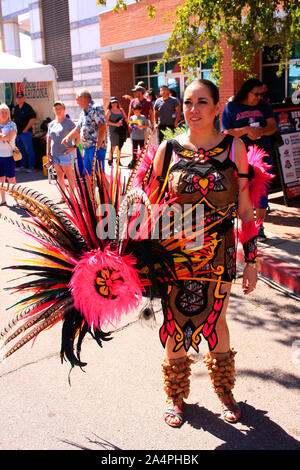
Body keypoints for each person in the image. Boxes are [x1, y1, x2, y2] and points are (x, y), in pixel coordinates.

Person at [152, 78, 258, 428]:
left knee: (217, 320)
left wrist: (252, 260)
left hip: (219, 253)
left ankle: (224, 389)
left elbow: (244, 209)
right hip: (174, 254)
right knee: (175, 321)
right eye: (187, 102)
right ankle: (175, 393)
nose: (192, 109)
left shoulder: (234, 149)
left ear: (217, 107)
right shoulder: (167, 150)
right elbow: (150, 206)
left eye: (201, 102)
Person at [221, 78, 277, 239]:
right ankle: (245, 226)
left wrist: (261, 131)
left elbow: (272, 127)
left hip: (262, 155)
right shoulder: (232, 106)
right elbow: (226, 132)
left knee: (261, 191)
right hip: (239, 155)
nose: (259, 97)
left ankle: (259, 227)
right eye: (256, 94)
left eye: (262, 94)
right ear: (247, 92)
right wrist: (245, 130)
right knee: (240, 191)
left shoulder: (263, 105)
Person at [62, 89, 106, 175]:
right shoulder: (83, 112)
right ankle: (89, 189)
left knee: (100, 175)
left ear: (83, 98)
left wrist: (99, 145)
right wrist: (67, 137)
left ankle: (106, 189)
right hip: (86, 148)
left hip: (95, 147)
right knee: (87, 175)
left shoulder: (96, 108)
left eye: (77, 98)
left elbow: (102, 126)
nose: (76, 101)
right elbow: (78, 129)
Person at [46, 101, 79, 203]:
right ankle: (63, 197)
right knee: (59, 175)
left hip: (66, 153)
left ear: (64, 110)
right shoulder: (51, 124)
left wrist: (75, 147)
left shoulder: (69, 123)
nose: (58, 110)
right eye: (56, 109)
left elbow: (78, 135)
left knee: (69, 175)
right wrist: (48, 153)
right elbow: (49, 139)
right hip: (54, 154)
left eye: (60, 108)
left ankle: (72, 198)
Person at [13, 91, 36, 172]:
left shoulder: (27, 107)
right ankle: (23, 165)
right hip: (18, 133)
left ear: (24, 98)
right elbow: (13, 119)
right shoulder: (16, 108)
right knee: (21, 150)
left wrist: (26, 128)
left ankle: (31, 166)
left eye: (21, 97)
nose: (19, 99)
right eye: (18, 97)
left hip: (26, 133)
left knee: (28, 150)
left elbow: (32, 118)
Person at [0, 104, 17, 206]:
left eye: (6, 112)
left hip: (9, 156)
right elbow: (4, 137)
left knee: (11, 179)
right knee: (1, 179)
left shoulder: (12, 124)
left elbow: (9, 138)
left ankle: (16, 200)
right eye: (2, 112)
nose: (4, 114)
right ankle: (3, 200)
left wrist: (3, 136)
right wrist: (2, 136)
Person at [105, 97, 128, 166]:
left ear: (117, 103)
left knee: (120, 146)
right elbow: (106, 122)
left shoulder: (121, 110)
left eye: (115, 102)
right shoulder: (109, 111)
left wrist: (123, 122)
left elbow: (126, 118)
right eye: (112, 103)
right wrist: (115, 124)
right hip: (113, 131)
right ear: (110, 103)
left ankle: (118, 160)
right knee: (113, 146)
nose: (114, 104)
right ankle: (110, 160)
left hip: (121, 130)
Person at [128, 103, 149, 169]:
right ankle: (134, 163)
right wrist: (131, 126)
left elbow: (147, 125)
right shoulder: (132, 117)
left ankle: (142, 163)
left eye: (138, 111)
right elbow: (129, 125)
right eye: (135, 111)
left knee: (142, 150)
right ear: (133, 111)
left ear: (140, 110)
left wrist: (141, 126)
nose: (136, 112)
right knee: (134, 150)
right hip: (134, 136)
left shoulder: (143, 117)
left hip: (141, 136)